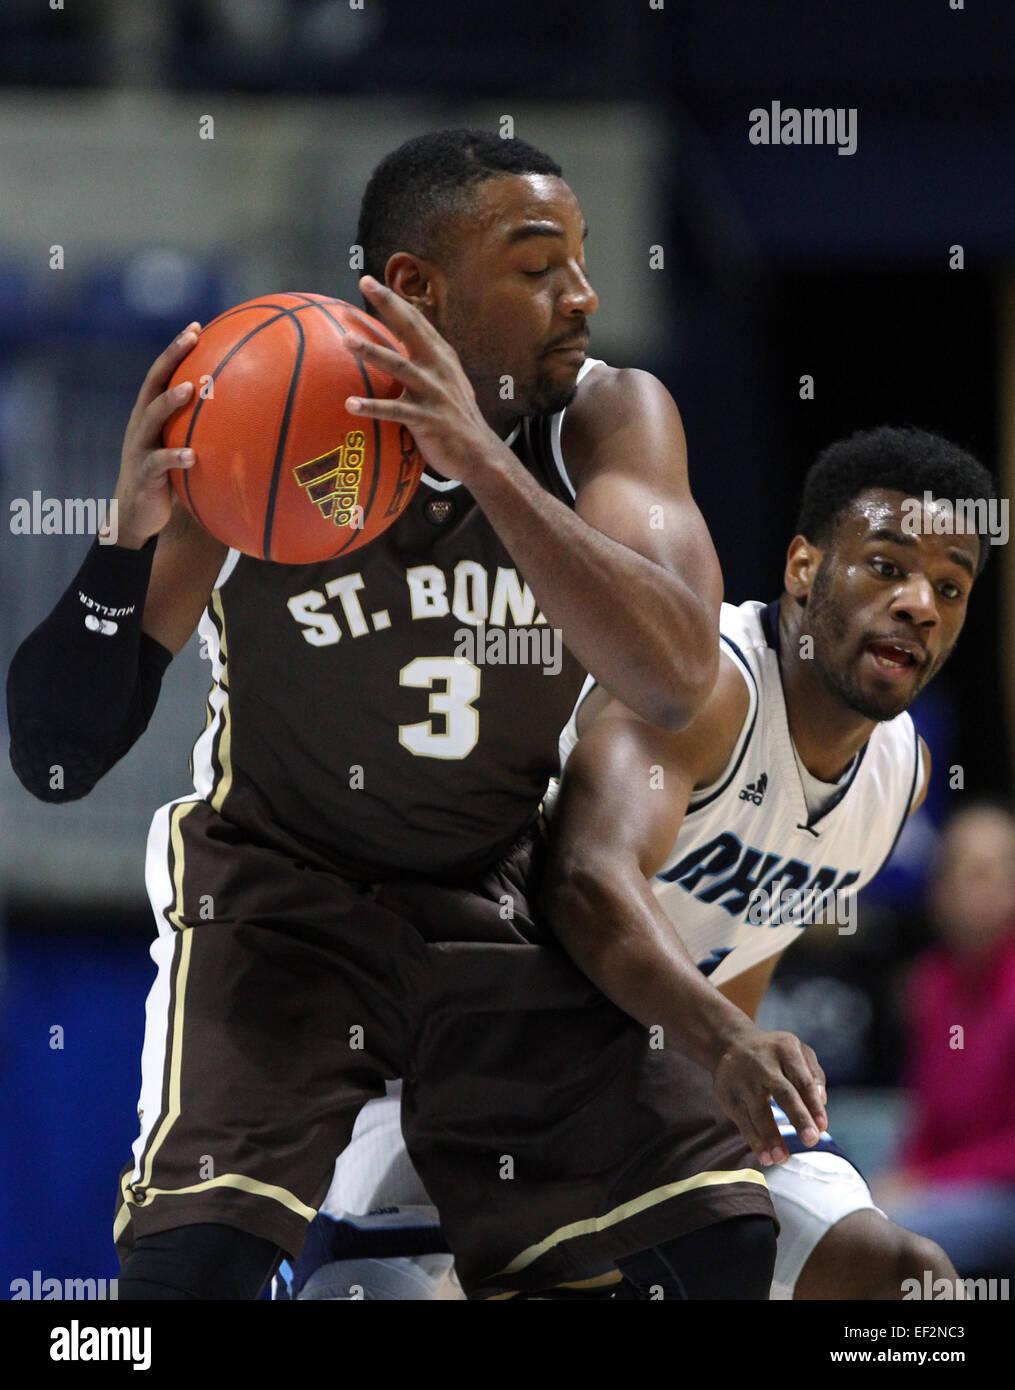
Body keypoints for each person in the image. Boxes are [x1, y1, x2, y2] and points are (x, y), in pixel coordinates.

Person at [6, 129, 826, 1301]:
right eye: (539, 266)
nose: (583, 295)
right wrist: (119, 550)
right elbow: (52, 765)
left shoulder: (607, 420)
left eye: (583, 260)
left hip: (496, 890)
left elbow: (677, 676)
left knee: (721, 1239)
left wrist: (481, 464)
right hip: (277, 902)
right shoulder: (268, 417)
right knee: (191, 1277)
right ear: (417, 292)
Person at [289, 425, 990, 1301]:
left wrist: (726, 1067)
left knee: (908, 1285)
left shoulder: (900, 779)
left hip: (651, 1091)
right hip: (472, 1067)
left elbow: (738, 960)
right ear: (804, 567)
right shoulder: (701, 690)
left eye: (951, 587)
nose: (920, 603)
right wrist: (726, 1042)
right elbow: (585, 880)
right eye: (886, 567)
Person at [875, 801, 1015, 1278]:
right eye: (950, 870)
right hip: (947, 1182)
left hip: (1003, 1192)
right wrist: (899, 1177)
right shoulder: (930, 981)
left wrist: (924, 1183)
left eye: (981, 873)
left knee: (886, 1238)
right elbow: (927, 1117)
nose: (960, 887)